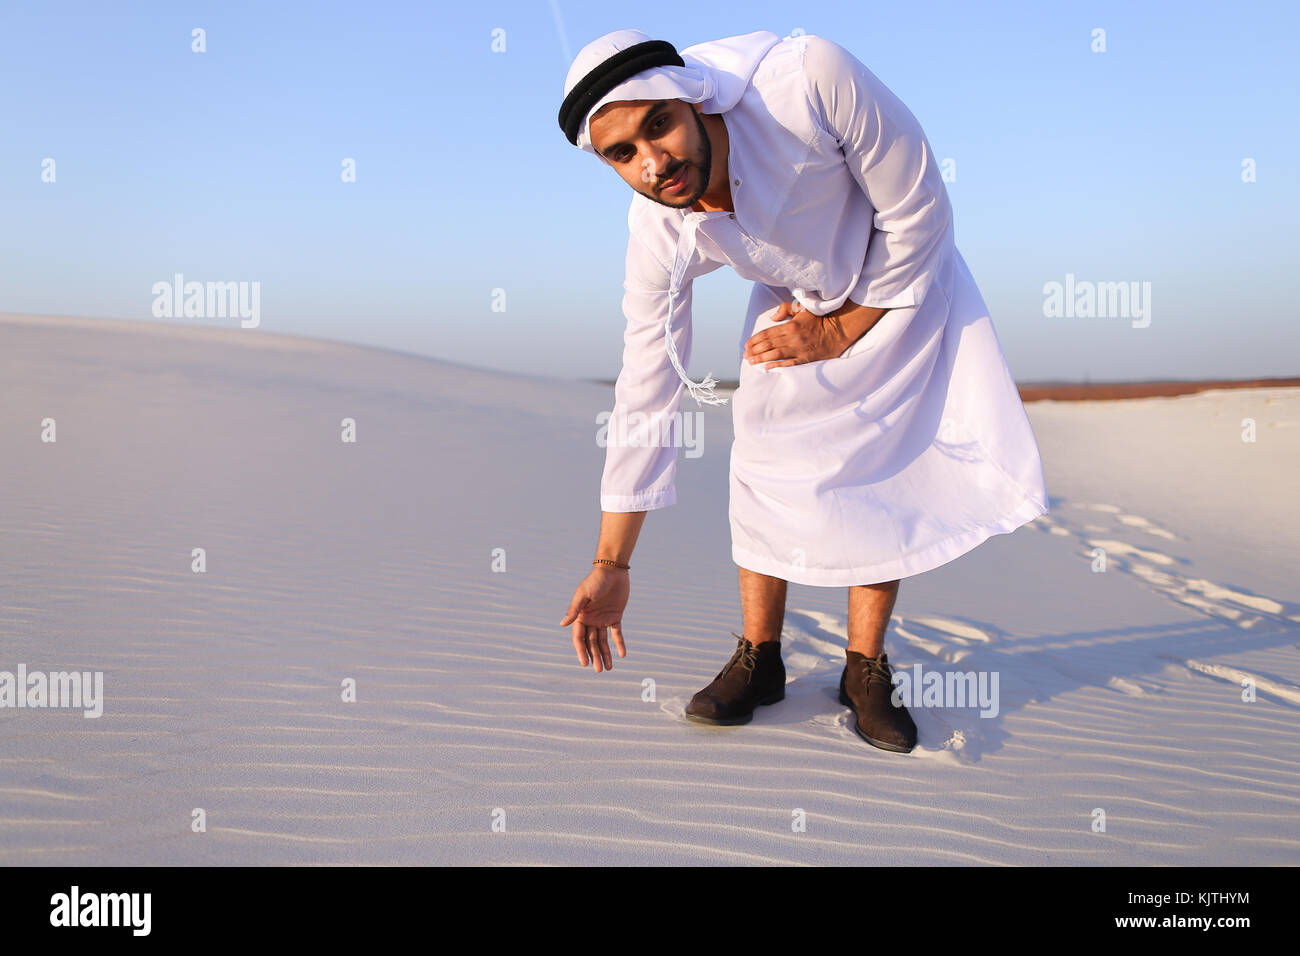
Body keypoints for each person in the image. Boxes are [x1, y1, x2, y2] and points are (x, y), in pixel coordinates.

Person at [557, 29, 1049, 754]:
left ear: (692, 97)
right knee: (760, 451)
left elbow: (920, 211)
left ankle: (866, 670)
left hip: (899, 283)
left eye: (656, 125)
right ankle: (761, 661)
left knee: (881, 466)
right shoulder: (657, 227)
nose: (653, 163)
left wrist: (844, 328)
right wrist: (612, 563)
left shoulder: (807, 80)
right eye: (622, 155)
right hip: (798, 301)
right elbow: (645, 383)